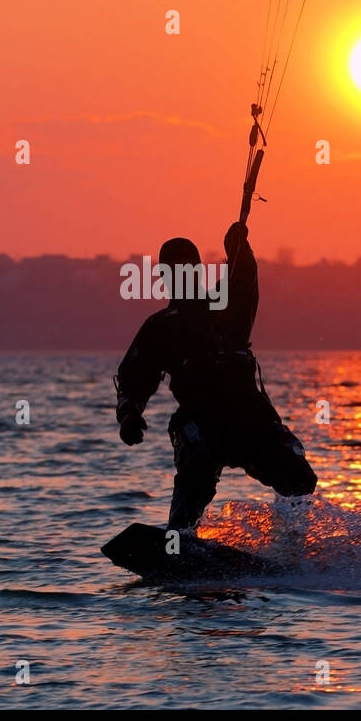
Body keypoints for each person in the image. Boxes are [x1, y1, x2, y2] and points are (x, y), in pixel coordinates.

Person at [114, 220, 317, 530]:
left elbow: (245, 279)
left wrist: (239, 247)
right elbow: (134, 378)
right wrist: (129, 414)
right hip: (201, 426)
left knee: (300, 480)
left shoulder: (228, 304)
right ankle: (180, 540)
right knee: (189, 494)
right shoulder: (160, 327)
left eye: (183, 269)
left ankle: (292, 545)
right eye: (170, 271)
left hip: (249, 417)